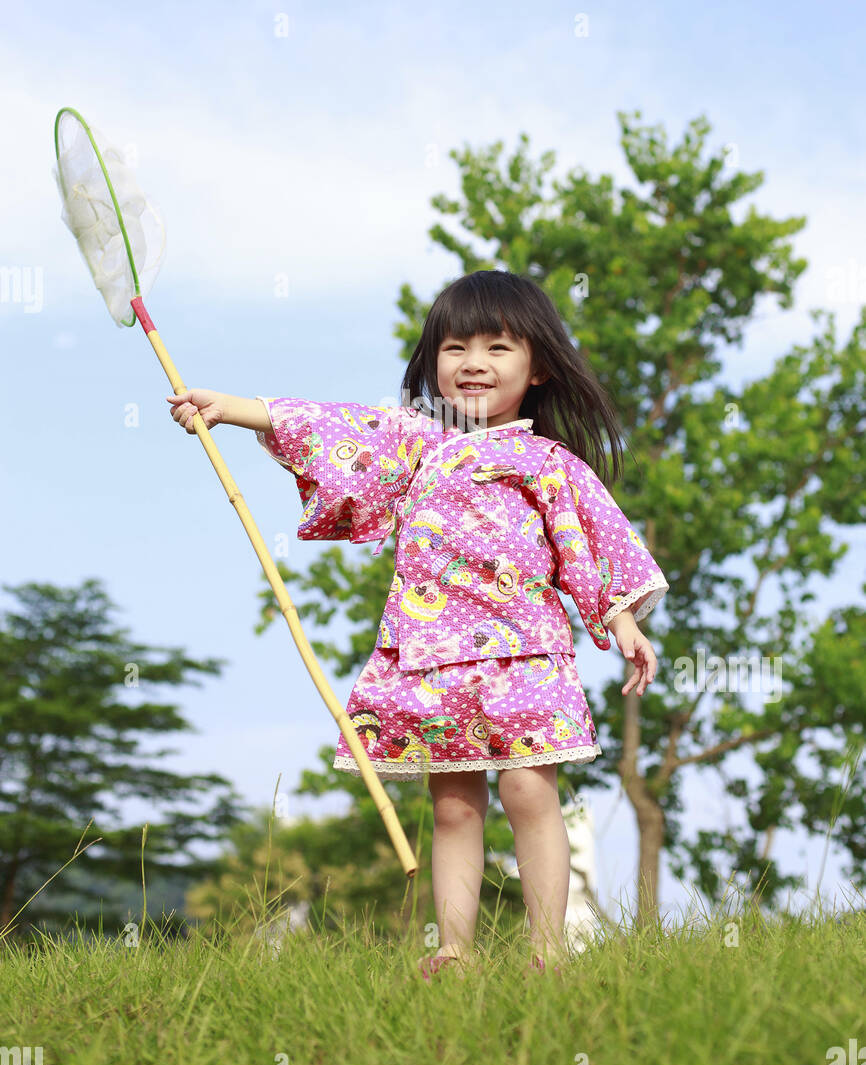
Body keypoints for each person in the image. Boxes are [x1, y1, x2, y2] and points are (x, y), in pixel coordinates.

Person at [166, 270, 668, 980]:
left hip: (524, 654)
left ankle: (549, 950)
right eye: (456, 346)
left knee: (529, 789)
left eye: (498, 347)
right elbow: (334, 426)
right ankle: (455, 949)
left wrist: (622, 622)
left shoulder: (548, 463)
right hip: (430, 657)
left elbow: (588, 542)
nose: (474, 363)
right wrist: (232, 408)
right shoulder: (417, 444)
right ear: (434, 362)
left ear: (539, 367)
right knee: (455, 804)